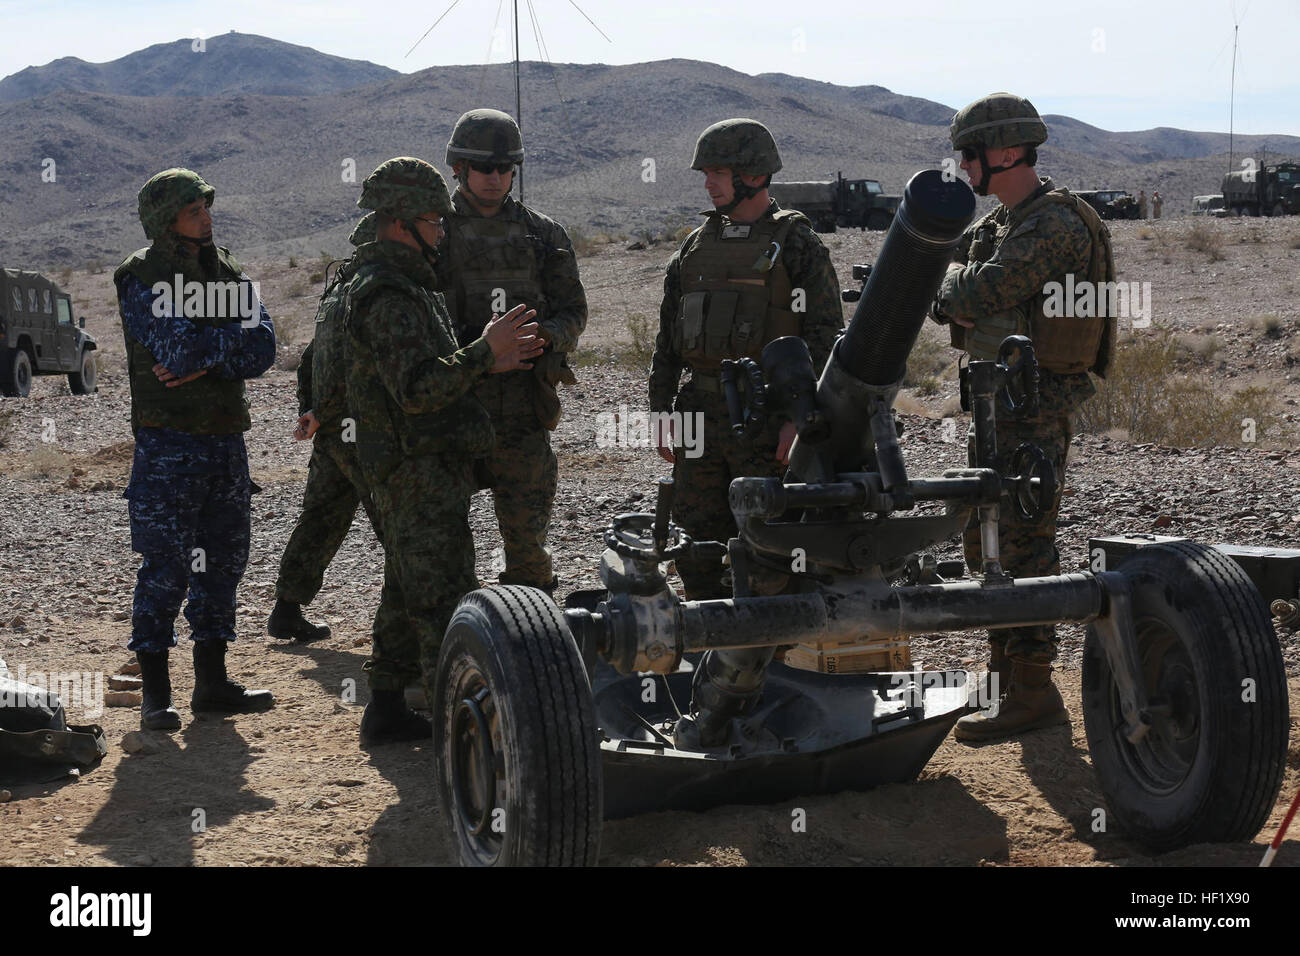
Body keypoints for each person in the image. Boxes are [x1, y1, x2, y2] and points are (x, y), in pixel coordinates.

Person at [323, 157, 542, 736]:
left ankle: (388, 708)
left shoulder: (398, 282)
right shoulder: (389, 293)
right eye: (433, 221)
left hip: (416, 464)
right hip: (415, 469)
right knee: (443, 596)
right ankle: (462, 731)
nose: (443, 231)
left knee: (404, 586)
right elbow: (416, 389)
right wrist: (484, 354)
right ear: (400, 223)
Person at [932, 92, 1116, 742]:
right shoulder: (1002, 225)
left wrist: (958, 290)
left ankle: (1034, 691)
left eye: (969, 153)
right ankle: (1004, 681)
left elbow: (976, 291)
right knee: (983, 535)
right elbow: (945, 286)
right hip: (995, 400)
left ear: (1006, 152)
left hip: (1034, 407)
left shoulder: (1056, 224)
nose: (961, 165)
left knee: (1024, 540)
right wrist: (954, 290)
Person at [649, 118, 843, 599]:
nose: (709, 183)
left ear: (753, 175)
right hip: (698, 413)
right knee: (696, 541)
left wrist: (799, 419)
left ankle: (765, 659)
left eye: (718, 171)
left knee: (768, 543)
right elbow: (667, 341)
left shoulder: (798, 245)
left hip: (766, 414)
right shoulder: (694, 248)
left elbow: (823, 337)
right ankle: (707, 645)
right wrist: (659, 413)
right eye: (706, 173)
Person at [114, 168, 277, 730]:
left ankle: (212, 682)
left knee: (224, 561)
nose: (206, 218)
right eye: (192, 211)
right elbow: (173, 351)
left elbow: (265, 348)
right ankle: (156, 694)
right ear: (166, 222)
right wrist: (216, 350)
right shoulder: (143, 276)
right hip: (168, 446)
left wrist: (206, 354)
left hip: (225, 442)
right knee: (167, 566)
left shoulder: (225, 270)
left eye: (206, 207)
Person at [437, 109, 587, 593]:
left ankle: (532, 635)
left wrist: (546, 336)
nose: (496, 178)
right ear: (458, 168)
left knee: (527, 543)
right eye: (485, 168)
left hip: (523, 408)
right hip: (451, 407)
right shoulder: (433, 233)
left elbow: (574, 312)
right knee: (441, 542)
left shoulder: (542, 234)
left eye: (505, 169)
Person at [267, 213, 376, 644]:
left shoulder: (338, 294)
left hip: (333, 431)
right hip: (364, 431)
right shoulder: (377, 293)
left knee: (321, 517)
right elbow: (359, 366)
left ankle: (287, 609)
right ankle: (414, 628)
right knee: (401, 525)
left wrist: (311, 412)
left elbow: (312, 360)